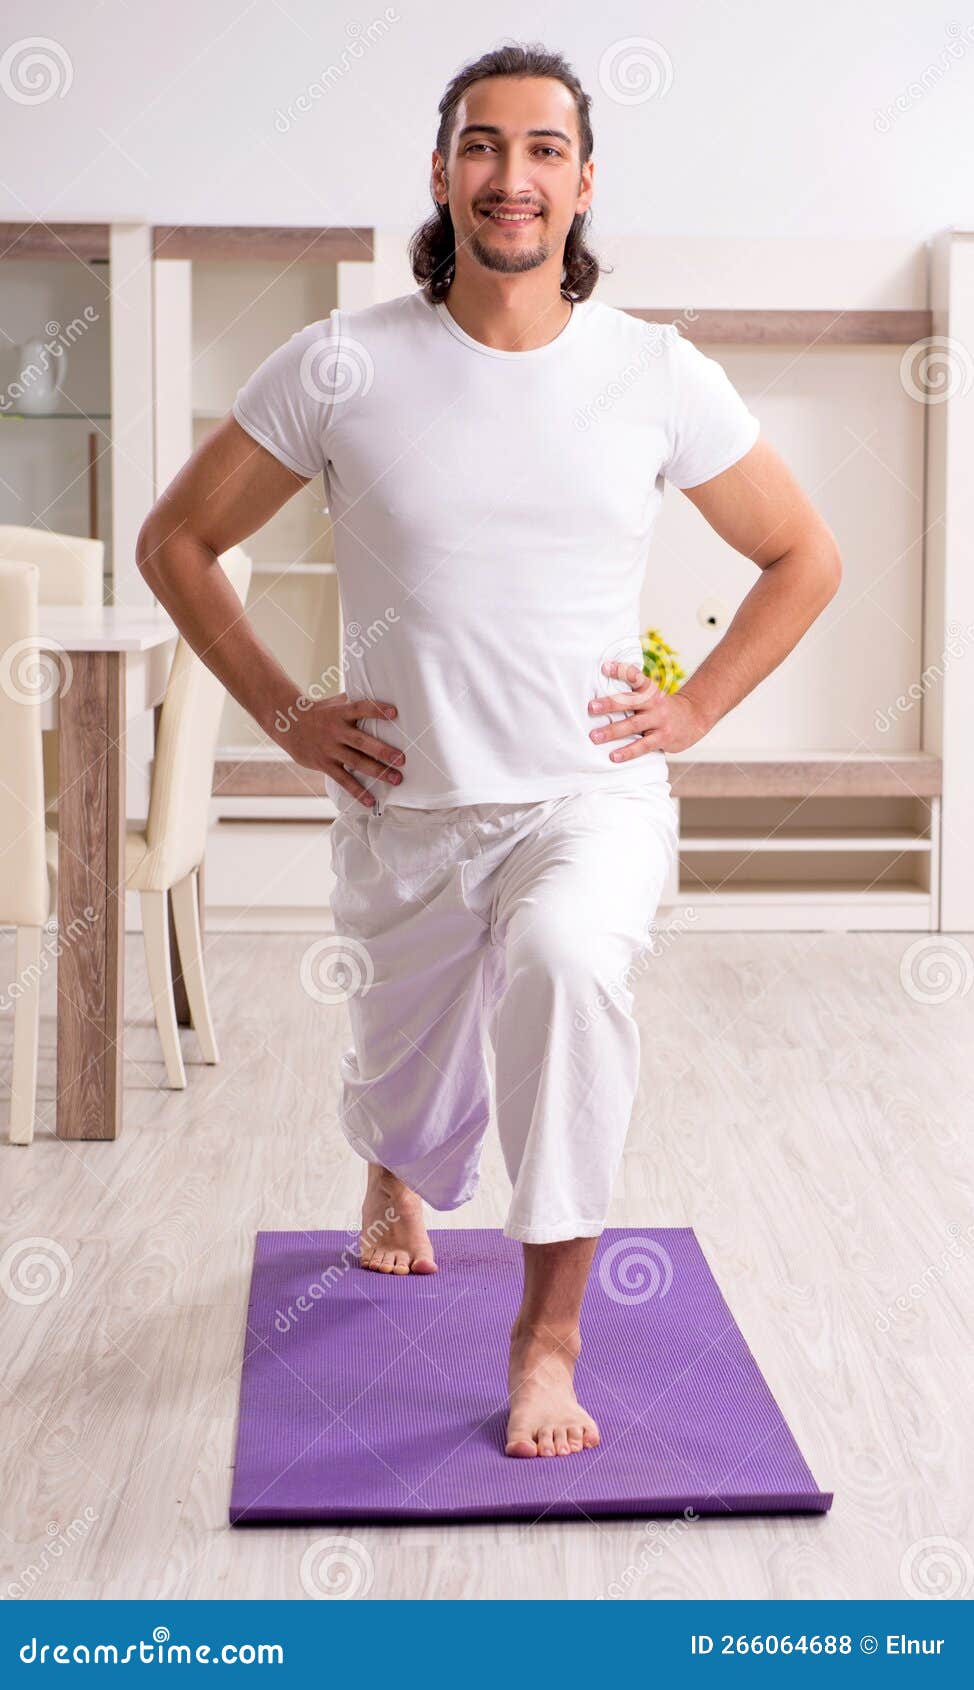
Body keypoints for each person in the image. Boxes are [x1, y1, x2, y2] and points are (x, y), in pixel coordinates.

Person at [136, 42, 841, 1461]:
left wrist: (690, 711)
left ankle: (547, 1335)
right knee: (410, 1095)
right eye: (480, 144)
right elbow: (179, 542)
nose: (508, 176)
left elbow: (801, 555)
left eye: (539, 149)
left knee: (567, 964)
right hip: (409, 806)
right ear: (440, 168)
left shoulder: (650, 368)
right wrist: (285, 713)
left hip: (587, 797)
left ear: (582, 181)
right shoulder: (341, 363)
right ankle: (394, 1164)